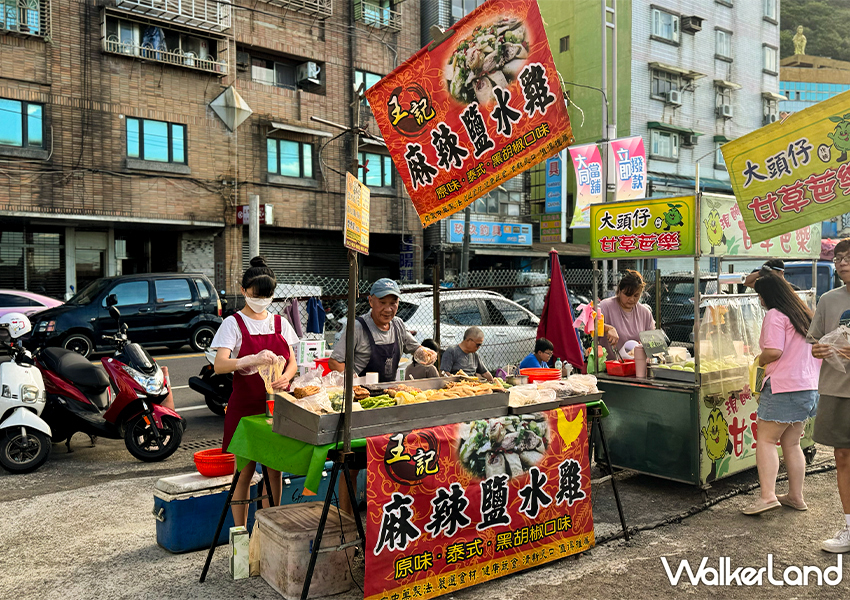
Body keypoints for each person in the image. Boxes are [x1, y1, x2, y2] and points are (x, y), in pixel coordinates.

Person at [328, 278, 435, 515]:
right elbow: (335, 361)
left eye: (393, 302)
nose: (388, 308)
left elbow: (414, 348)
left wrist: (424, 352)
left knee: (392, 459)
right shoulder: (356, 327)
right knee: (353, 465)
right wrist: (352, 380)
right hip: (362, 404)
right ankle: (347, 519)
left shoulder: (397, 325)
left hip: (389, 402)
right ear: (371, 301)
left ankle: (384, 514)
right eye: (382, 302)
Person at [210, 256, 298, 527]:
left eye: (267, 295)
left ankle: (269, 530)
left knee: (274, 471)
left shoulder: (281, 323)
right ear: (244, 290)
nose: (262, 299)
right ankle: (240, 534)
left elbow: (293, 360)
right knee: (244, 473)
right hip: (245, 409)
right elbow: (220, 364)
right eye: (256, 294)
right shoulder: (233, 324)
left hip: (275, 406)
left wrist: (286, 377)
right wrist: (249, 360)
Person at [742, 274, 820, 515]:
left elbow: (774, 351)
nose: (759, 300)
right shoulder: (804, 314)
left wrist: (759, 359)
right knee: (792, 442)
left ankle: (767, 497)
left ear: (768, 295)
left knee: (765, 440)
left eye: (760, 295)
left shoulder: (776, 315)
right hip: (809, 387)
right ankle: (796, 496)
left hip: (784, 387)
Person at [809, 238, 850, 552]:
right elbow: (815, 342)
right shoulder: (828, 299)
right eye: (838, 259)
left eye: (848, 257)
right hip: (836, 390)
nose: (842, 263)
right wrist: (820, 348)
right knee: (842, 457)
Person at [598, 270, 655, 353]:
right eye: (627, 294)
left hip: (637, 363)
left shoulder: (645, 313)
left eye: (636, 295)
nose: (632, 299)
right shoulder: (605, 306)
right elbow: (590, 325)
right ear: (619, 291)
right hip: (609, 364)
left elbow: (653, 343)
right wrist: (608, 328)